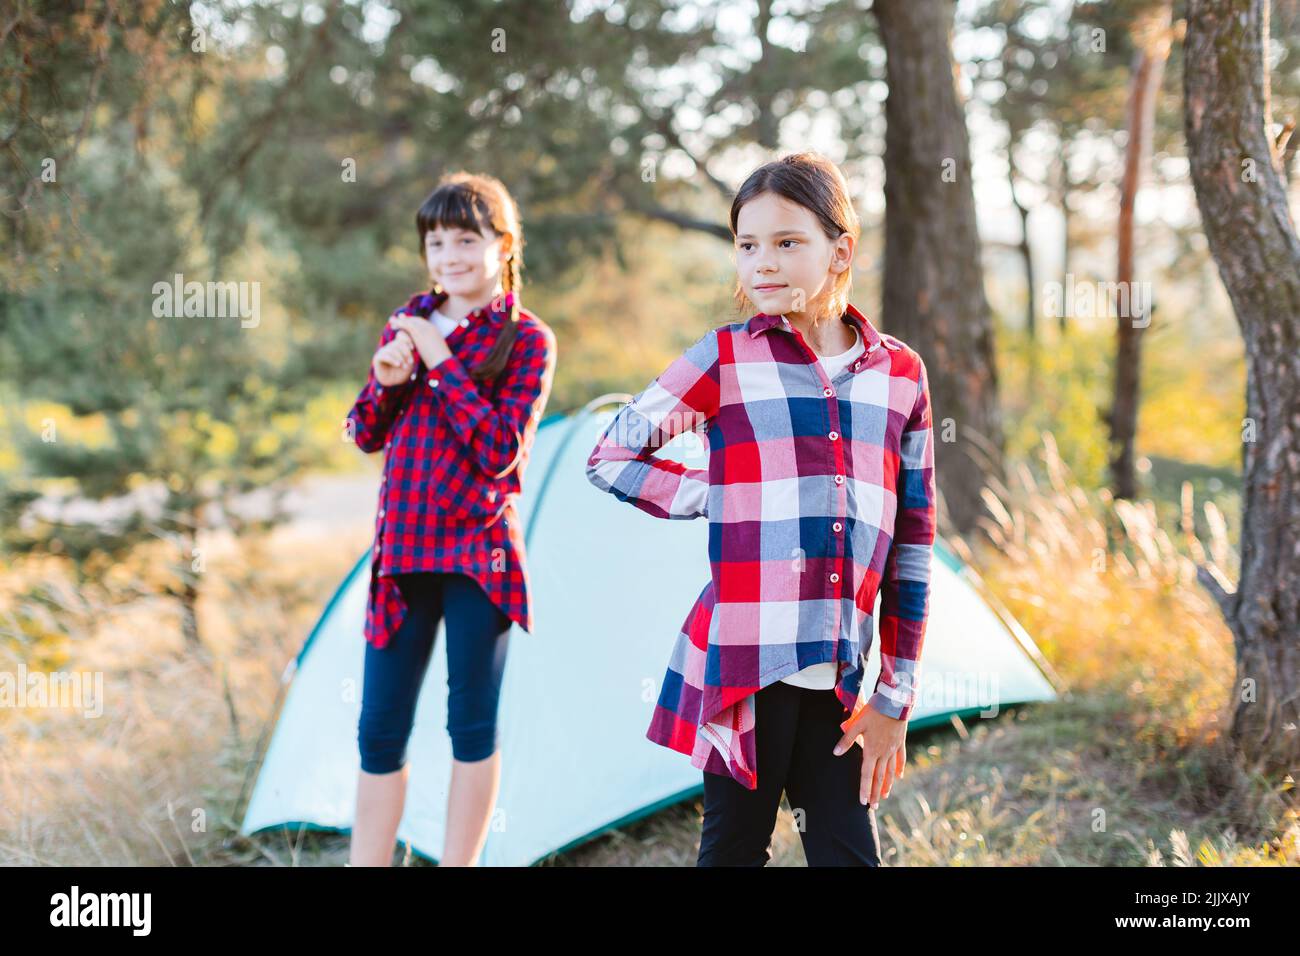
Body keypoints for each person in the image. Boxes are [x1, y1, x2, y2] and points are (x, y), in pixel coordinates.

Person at [585, 152, 936, 866]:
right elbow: (611, 455)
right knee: (733, 853)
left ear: (840, 251)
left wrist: (896, 696)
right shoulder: (723, 360)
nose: (763, 264)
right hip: (743, 669)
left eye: (786, 243)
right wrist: (716, 495)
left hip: (840, 679)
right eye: (747, 246)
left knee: (849, 856)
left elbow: (912, 544)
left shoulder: (900, 375)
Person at [346, 171, 557, 866]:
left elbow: (500, 451)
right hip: (402, 555)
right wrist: (385, 382)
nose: (449, 256)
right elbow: (364, 433)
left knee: (470, 725)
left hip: (478, 558)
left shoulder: (527, 339)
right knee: (379, 732)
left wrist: (438, 362)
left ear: (503, 244)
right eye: (436, 241)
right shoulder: (405, 323)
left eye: (466, 239)